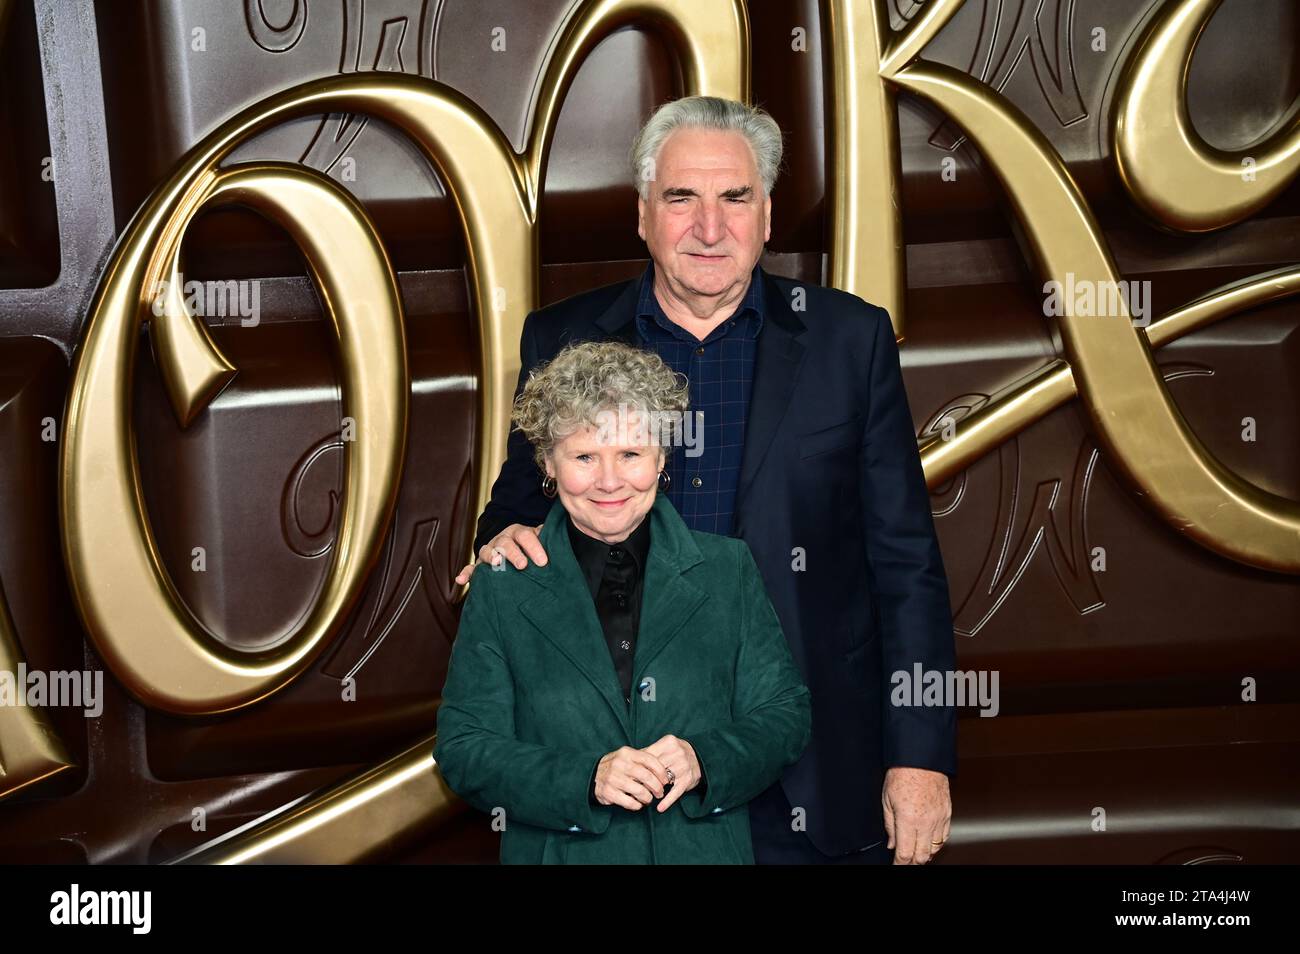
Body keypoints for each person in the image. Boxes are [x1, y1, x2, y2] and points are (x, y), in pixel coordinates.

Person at [456, 95, 957, 865]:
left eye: (735, 198)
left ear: (766, 214)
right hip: (624, 786)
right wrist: (501, 542)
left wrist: (921, 755)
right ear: (643, 213)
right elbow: (517, 509)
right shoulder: (563, 336)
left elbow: (907, 565)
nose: (710, 228)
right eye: (682, 198)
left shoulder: (849, 340)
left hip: (809, 769)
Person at [434, 340, 812, 864]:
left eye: (630, 454)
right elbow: (465, 749)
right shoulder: (502, 583)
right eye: (585, 457)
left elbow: (785, 716)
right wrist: (587, 779)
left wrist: (704, 759)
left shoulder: (729, 569)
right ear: (548, 462)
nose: (609, 481)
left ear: (661, 457)